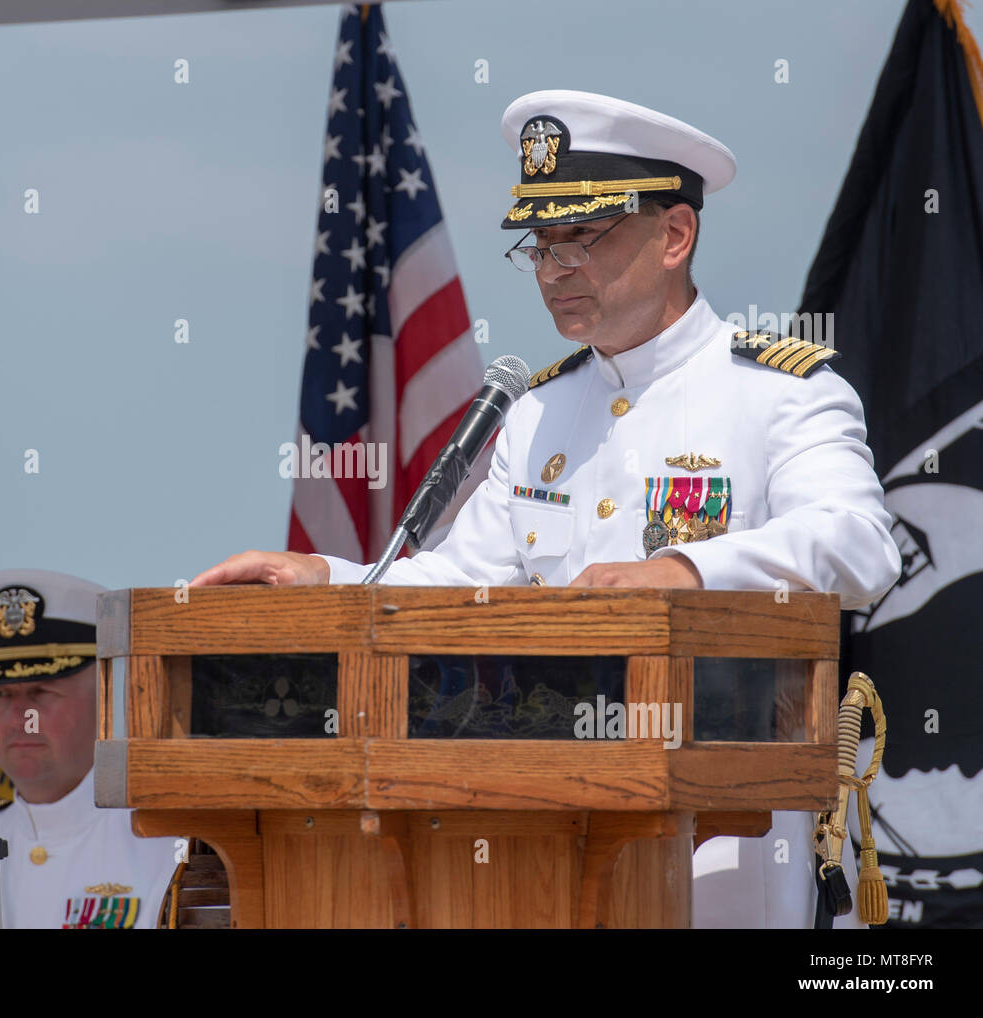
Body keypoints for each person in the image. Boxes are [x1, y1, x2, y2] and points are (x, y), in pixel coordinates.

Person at [191, 90, 901, 928]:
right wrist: (325, 580)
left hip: (730, 849)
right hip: (543, 842)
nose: (556, 269)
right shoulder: (534, 414)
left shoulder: (782, 393)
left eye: (583, 238)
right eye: (541, 244)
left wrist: (679, 571)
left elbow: (859, 546)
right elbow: (464, 584)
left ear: (675, 235)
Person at [0, 570, 181, 929]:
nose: (22, 717)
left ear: (106, 696)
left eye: (42, 692)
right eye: (0, 695)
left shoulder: (170, 848)